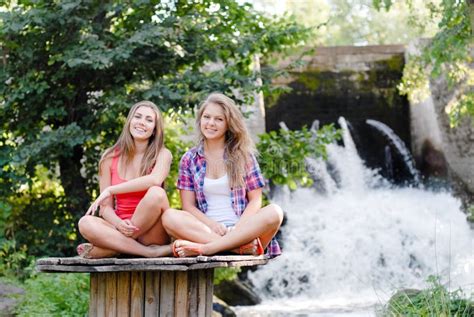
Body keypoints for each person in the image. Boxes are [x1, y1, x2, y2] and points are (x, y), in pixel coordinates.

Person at [162, 93, 284, 257]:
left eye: (219, 119)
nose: (211, 123)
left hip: (243, 230)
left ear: (228, 124)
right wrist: (212, 225)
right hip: (206, 230)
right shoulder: (189, 159)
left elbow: (255, 199)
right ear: (200, 120)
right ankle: (235, 248)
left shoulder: (244, 156)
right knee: (169, 216)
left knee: (275, 212)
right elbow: (188, 206)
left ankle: (208, 249)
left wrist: (238, 228)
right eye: (207, 117)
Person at [77, 101, 173, 258]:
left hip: (151, 232)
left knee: (157, 193)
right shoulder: (109, 157)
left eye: (149, 120)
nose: (142, 122)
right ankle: (147, 252)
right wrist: (118, 224)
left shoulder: (163, 154)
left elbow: (155, 180)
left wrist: (111, 190)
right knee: (85, 223)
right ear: (129, 122)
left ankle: (114, 247)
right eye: (138, 117)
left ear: (155, 129)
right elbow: (105, 208)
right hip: (120, 227)